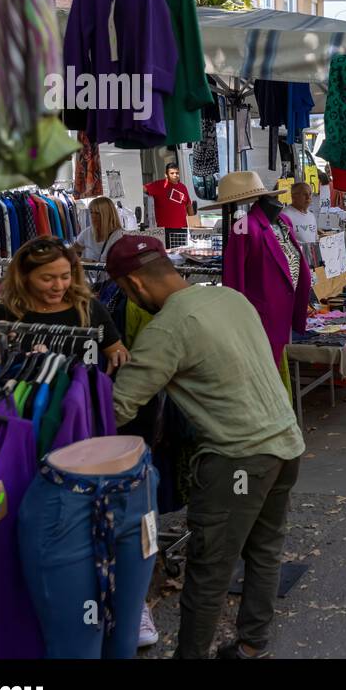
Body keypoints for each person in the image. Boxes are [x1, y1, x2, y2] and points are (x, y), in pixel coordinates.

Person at [106, 235, 305, 659]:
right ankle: (252, 647)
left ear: (135, 287)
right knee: (264, 552)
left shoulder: (167, 328)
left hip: (239, 459)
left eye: (125, 293)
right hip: (286, 442)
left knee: (209, 568)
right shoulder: (231, 299)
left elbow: (119, 407)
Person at [0, 236, 129, 372]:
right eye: (47, 279)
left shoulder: (89, 308)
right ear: (24, 277)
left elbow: (115, 349)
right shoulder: (1, 316)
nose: (59, 286)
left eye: (65, 277)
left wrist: (118, 356)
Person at [144, 163, 194, 248]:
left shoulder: (183, 187)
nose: (175, 175)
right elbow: (142, 188)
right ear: (166, 174)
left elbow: (188, 205)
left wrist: (193, 224)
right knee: (169, 256)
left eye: (177, 173)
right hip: (166, 230)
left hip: (182, 229)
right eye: (172, 173)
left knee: (181, 255)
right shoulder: (159, 185)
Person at [72, 196, 127, 274]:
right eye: (91, 212)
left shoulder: (119, 236)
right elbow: (72, 252)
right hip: (93, 282)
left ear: (108, 214)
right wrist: (83, 260)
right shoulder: (87, 233)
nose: (93, 216)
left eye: (97, 213)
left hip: (112, 281)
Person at [284, 183, 321, 266]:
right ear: (294, 197)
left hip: (311, 262)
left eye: (310, 194)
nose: (308, 198)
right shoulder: (285, 215)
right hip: (295, 264)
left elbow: (315, 239)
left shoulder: (311, 215)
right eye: (304, 194)